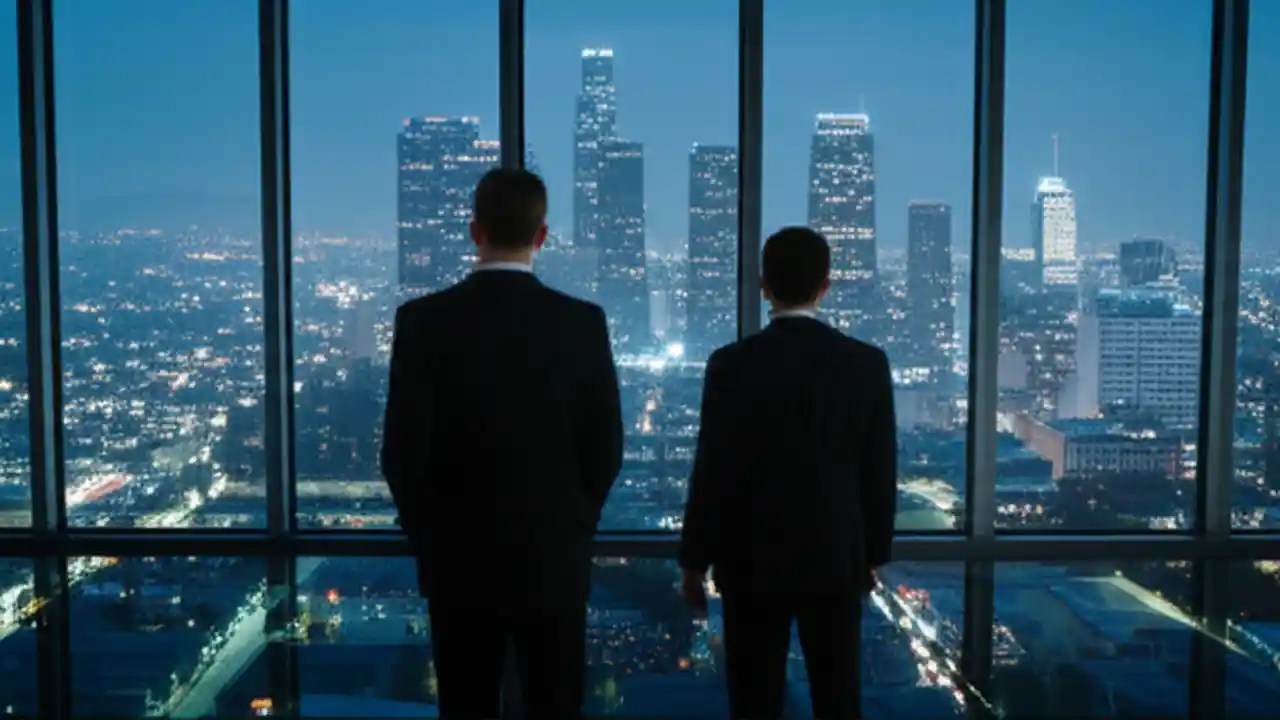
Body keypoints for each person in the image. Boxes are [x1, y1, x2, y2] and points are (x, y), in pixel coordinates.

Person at [381, 167, 623, 720]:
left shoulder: (422, 322)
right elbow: (606, 449)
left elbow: (401, 453)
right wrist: (572, 523)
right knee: (553, 701)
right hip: (553, 558)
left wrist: (432, 536)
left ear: (475, 231)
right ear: (542, 236)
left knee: (466, 702)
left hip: (458, 562)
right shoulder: (583, 324)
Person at [679, 226, 897, 720]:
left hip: (750, 562)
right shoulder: (865, 365)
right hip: (836, 557)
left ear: (764, 285)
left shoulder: (730, 365)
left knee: (754, 699)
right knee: (837, 696)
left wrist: (694, 561)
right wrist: (872, 555)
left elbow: (711, 472)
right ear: (825, 284)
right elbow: (879, 471)